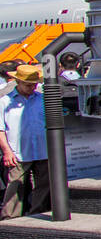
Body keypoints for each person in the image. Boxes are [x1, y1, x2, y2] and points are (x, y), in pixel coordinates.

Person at [0, 64, 49, 219]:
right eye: (28, 85)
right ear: (18, 82)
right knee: (15, 186)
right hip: (18, 151)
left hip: (42, 149)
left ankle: (38, 215)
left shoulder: (42, 99)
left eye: (34, 85)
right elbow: (1, 130)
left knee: (44, 185)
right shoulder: (5, 102)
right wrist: (7, 151)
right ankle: (10, 219)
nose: (32, 88)